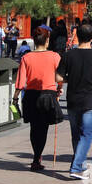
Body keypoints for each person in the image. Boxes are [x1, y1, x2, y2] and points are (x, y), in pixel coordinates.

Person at [54, 20, 92, 180]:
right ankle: (76, 167)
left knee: (76, 134)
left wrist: (70, 79)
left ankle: (79, 162)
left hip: (73, 99)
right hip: (91, 100)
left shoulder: (68, 55)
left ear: (78, 36)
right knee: (86, 134)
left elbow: (58, 77)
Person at [16, 27, 61, 171]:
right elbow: (60, 77)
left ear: (34, 41)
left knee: (34, 127)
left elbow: (21, 81)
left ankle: (36, 156)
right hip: (48, 94)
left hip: (31, 95)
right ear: (47, 40)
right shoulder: (55, 56)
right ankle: (37, 156)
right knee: (43, 128)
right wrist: (59, 88)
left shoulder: (26, 57)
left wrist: (15, 97)